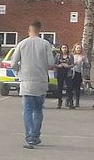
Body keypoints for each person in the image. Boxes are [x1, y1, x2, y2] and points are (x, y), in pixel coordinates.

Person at [12, 21, 56, 149]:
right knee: (38, 110)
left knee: (27, 111)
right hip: (41, 81)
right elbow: (51, 62)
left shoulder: (22, 43)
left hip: (26, 81)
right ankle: (35, 136)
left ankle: (30, 137)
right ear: (39, 30)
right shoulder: (45, 44)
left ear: (28, 30)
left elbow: (13, 62)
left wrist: (18, 71)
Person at [68, 44, 88, 109]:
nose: (79, 49)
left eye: (80, 48)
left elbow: (87, 65)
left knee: (77, 88)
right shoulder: (72, 56)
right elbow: (69, 63)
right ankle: (69, 100)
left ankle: (77, 102)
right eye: (77, 48)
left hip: (79, 73)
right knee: (71, 88)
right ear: (75, 49)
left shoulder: (83, 56)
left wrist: (84, 62)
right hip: (72, 73)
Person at [54, 44, 73, 109]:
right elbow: (54, 64)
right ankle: (59, 101)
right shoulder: (58, 56)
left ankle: (70, 101)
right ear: (61, 49)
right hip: (60, 73)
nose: (64, 49)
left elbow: (72, 64)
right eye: (63, 48)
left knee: (69, 88)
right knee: (60, 88)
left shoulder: (70, 56)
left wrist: (68, 66)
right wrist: (58, 66)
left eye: (65, 48)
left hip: (67, 73)